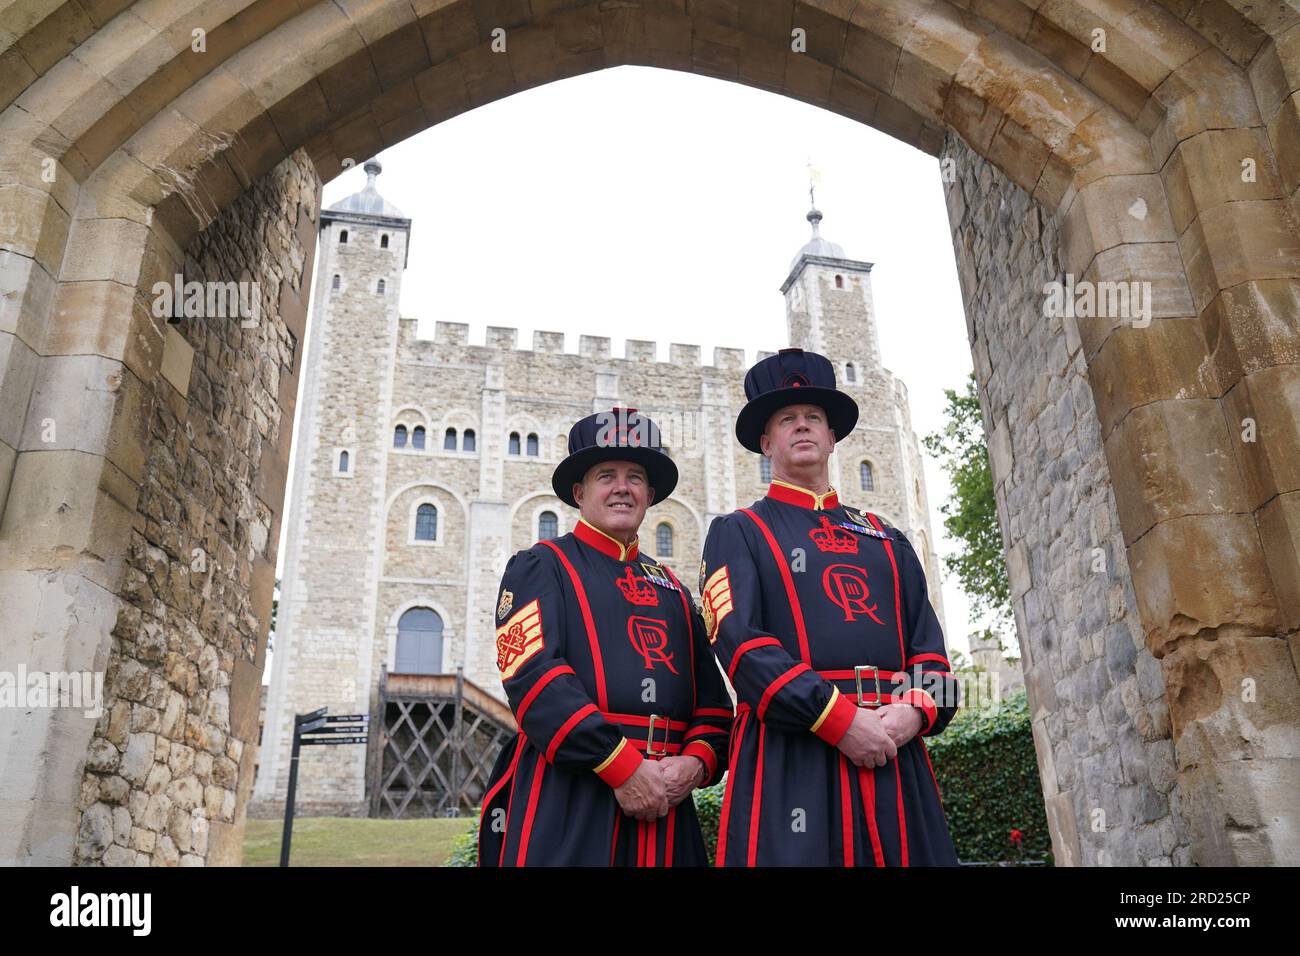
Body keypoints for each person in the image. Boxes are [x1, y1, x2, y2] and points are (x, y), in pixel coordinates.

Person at [699, 348, 960, 866]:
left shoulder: (888, 539)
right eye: (787, 420)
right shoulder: (739, 532)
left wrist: (913, 712)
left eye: (813, 418)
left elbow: (933, 657)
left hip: (895, 749)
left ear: (832, 436)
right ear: (765, 441)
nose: (802, 428)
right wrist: (837, 719)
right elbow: (741, 646)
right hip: (792, 755)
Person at [478, 407, 733, 866]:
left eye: (635, 477)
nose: (622, 487)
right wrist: (623, 768)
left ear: (650, 495)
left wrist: (693, 766)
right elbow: (535, 682)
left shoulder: (675, 589)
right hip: (571, 796)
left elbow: (714, 705)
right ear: (579, 492)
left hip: (669, 804)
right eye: (606, 476)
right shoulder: (541, 565)